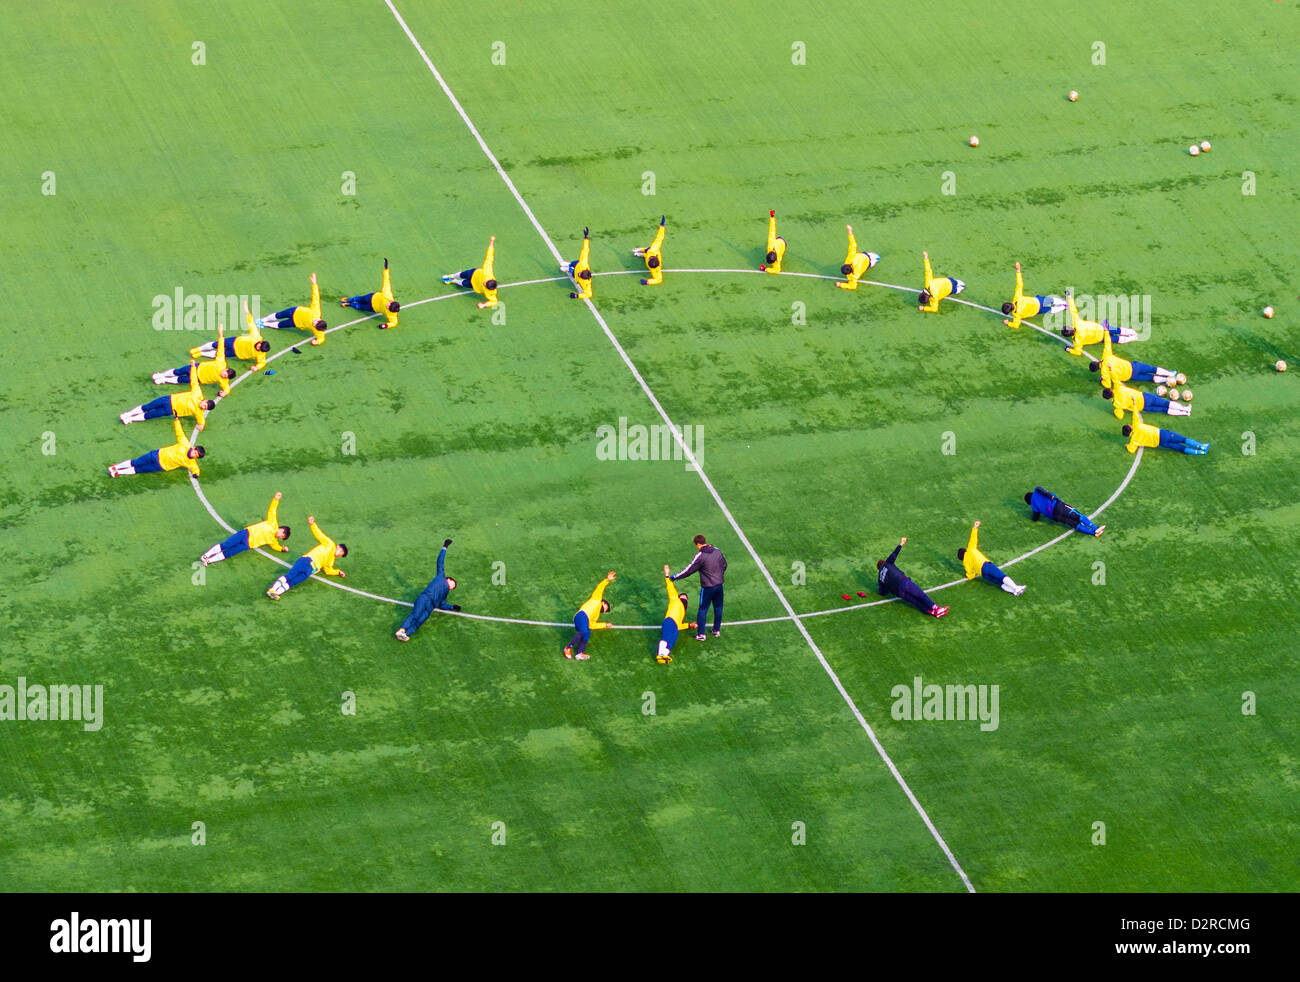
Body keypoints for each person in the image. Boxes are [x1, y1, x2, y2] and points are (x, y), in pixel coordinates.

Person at [266, 515, 347, 600]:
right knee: (290, 576)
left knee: (293, 582)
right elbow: (319, 535)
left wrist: (338, 572)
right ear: (338, 546)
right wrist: (312, 524)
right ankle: (272, 589)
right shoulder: (330, 544)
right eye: (341, 551)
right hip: (306, 561)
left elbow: (328, 570)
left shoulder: (331, 560)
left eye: (341, 555)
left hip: (310, 571)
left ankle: (276, 593)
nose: (339, 554)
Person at [395, 538, 462, 641]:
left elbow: (442, 605)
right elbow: (440, 562)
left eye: (454, 587)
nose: (453, 586)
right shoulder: (441, 576)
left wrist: (452, 607)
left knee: (419, 622)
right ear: (448, 579)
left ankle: (405, 634)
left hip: (430, 607)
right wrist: (445, 547)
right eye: (453, 583)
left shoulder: (445, 593)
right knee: (415, 615)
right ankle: (402, 629)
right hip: (425, 598)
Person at [200, 491, 290, 565]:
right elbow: (272, 510)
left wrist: (282, 549)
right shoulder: (273, 522)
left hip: (246, 545)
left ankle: (208, 561)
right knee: (226, 545)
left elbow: (275, 546)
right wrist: (276, 499)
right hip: (246, 534)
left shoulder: (273, 540)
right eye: (282, 536)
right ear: (282, 530)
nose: (280, 537)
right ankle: (206, 555)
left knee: (229, 553)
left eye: (282, 538)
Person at [670, 534, 727, 641]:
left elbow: (689, 570)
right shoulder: (717, 551)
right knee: (718, 608)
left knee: (703, 609)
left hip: (708, 588)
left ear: (697, 544)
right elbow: (724, 565)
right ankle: (716, 630)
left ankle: (701, 634)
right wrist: (718, 576)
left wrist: (675, 577)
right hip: (719, 585)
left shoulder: (700, 556)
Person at [108, 415, 204, 478]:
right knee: (136, 462)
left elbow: (195, 469)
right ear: (194, 448)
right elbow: (180, 433)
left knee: (138, 469)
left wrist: (196, 474)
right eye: (195, 452)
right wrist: (176, 421)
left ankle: (118, 472)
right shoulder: (184, 444)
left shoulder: (190, 462)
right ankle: (116, 467)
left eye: (196, 456)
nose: (194, 455)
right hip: (157, 455)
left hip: (160, 466)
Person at [120, 364, 213, 428]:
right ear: (205, 400)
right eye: (205, 404)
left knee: (150, 415)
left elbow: (201, 421)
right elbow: (194, 381)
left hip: (169, 410)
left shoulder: (199, 412)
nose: (203, 406)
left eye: (205, 407)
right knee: (148, 407)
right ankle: (128, 414)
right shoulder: (197, 394)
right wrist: (193, 367)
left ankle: (131, 419)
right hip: (168, 399)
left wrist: (201, 425)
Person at [155, 325, 235, 396]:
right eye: (225, 374)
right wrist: (221, 334)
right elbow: (220, 348)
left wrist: (225, 392)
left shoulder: (223, 380)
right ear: (226, 369)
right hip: (196, 367)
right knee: (178, 371)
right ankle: (161, 374)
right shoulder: (221, 363)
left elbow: (227, 388)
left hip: (197, 379)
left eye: (225, 377)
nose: (223, 375)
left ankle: (164, 379)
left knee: (180, 380)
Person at [877, 537, 948, 617]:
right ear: (883, 563)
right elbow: (894, 554)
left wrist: (888, 587)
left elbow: (881, 592)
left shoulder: (880, 578)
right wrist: (901, 544)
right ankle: (937, 608)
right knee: (920, 595)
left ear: (878, 569)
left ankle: (933, 613)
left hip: (899, 593)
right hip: (903, 582)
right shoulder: (887, 563)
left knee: (915, 602)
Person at [190, 305, 270, 371]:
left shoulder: (261, 354)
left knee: (218, 354)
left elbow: (262, 363)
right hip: (234, 341)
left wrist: (257, 367)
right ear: (260, 342)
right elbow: (251, 324)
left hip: (236, 353)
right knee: (216, 344)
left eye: (259, 349)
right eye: (259, 346)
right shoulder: (256, 336)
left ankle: (201, 353)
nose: (258, 348)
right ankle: (199, 349)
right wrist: (247, 312)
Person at [1089, 331, 1179, 389]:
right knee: (1152, 369)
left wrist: (1102, 381)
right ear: (1096, 361)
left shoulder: (1104, 374)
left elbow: (1108, 385)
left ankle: (1165, 380)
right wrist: (1105, 331)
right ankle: (1170, 374)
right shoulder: (1106, 356)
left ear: (1097, 370)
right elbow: (1107, 343)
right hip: (1133, 366)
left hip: (1129, 376)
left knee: (1150, 378)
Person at [958, 521, 1025, 596]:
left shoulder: (965, 563)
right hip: (986, 566)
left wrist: (969, 575)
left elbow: (970, 575)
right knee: (1002, 576)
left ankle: (1013, 592)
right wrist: (975, 527)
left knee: (999, 582)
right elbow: (973, 539)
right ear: (965, 550)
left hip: (983, 575)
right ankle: (1016, 588)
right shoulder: (970, 549)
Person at [1062, 289, 1138, 355]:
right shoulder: (1076, 322)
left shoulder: (1077, 340)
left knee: (1115, 339)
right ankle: (1131, 331)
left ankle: (1132, 338)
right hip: (1102, 327)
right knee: (1117, 330)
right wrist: (1069, 297)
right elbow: (1073, 309)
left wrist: (1069, 350)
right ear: (1070, 327)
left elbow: (1078, 352)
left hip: (1100, 337)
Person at [261, 272, 327, 345]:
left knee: (279, 325)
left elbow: (321, 337)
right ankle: (264, 319)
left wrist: (317, 342)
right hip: (294, 311)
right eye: (315, 323)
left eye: (314, 326)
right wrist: (314, 284)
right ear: (319, 320)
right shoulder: (316, 312)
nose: (313, 324)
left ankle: (266, 324)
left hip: (295, 323)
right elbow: (316, 297)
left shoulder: (318, 329)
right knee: (278, 315)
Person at [564, 571, 615, 660]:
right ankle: (568, 648)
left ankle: (580, 653)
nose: (604, 610)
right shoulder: (597, 599)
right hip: (581, 616)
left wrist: (605, 624)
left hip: (584, 620)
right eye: (605, 607)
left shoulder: (596, 615)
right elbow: (600, 588)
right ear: (603, 602)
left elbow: (592, 625)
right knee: (585, 631)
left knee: (587, 632)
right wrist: (607, 580)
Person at [1001, 262, 1066, 329]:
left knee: (1051, 308)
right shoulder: (1017, 298)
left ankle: (1063, 307)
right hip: (1038, 301)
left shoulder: (1016, 315)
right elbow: (1019, 284)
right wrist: (1018, 270)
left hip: (1037, 311)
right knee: (1052, 301)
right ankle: (1064, 302)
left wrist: (1008, 323)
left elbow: (1016, 325)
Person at [341, 258, 401, 329]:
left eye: (388, 308)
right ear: (391, 301)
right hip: (372, 297)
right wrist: (386, 269)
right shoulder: (387, 295)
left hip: (373, 308)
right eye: (388, 305)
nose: (387, 306)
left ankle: (350, 304)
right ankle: (349, 299)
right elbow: (386, 281)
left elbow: (394, 323)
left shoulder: (392, 314)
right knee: (360, 298)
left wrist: (385, 325)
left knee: (359, 307)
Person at [442, 236, 499, 308]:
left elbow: (494, 301)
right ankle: (451, 276)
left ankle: (453, 280)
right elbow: (489, 257)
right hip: (473, 273)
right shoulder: (487, 272)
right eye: (486, 282)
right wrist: (492, 242)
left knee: (462, 283)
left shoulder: (491, 292)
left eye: (485, 285)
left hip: (474, 285)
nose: (484, 283)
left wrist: (484, 305)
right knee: (461, 274)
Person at [1023, 487, 1104, 536]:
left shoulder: (1033, 506)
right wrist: (1051, 497)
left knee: (1073, 523)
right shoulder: (1036, 490)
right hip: (1057, 505)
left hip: (1055, 516)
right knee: (1078, 515)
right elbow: (1042, 490)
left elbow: (1035, 518)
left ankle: (1094, 533)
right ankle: (1095, 528)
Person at [1122, 409, 1209, 455]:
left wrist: (1128, 446)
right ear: (1130, 427)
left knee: (1179, 448)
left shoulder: (1134, 440)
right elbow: (1135, 414)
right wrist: (1133, 402)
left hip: (1160, 443)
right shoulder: (1136, 425)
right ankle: (1201, 446)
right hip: (1162, 434)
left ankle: (1200, 453)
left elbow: (1131, 450)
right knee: (1183, 440)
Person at [656, 566, 696, 664]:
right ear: (679, 597)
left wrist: (690, 625)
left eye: (686, 598)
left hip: (674, 625)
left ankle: (665, 654)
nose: (685, 598)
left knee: (673, 638)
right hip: (669, 621)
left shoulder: (682, 613)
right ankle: (660, 654)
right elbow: (670, 588)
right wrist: (667, 575)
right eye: (683, 596)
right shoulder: (675, 600)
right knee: (666, 637)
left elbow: (679, 626)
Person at [1103, 377, 1190, 419]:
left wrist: (1116, 411)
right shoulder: (1118, 388)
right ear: (1111, 390)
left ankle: (1185, 413)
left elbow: (1120, 416)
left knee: (1163, 409)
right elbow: (1115, 378)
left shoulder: (1115, 403)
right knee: (1165, 403)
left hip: (1143, 407)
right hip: (1145, 397)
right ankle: (1185, 408)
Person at [835, 224, 879, 290]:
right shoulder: (850, 258)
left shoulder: (853, 276)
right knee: (877, 256)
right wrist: (850, 231)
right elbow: (853, 244)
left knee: (875, 260)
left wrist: (840, 284)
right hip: (866, 256)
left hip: (868, 264)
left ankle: (874, 262)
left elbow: (853, 286)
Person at [632, 216, 666, 286]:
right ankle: (640, 250)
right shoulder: (654, 249)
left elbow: (658, 280)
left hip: (648, 256)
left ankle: (642, 255)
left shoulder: (655, 270)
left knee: (647, 253)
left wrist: (647, 282)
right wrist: (662, 226)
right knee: (647, 250)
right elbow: (659, 237)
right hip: (649, 251)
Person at [561, 227, 594, 299]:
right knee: (573, 263)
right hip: (578, 265)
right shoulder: (583, 263)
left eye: (580, 275)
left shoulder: (586, 284)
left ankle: (569, 269)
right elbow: (585, 250)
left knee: (573, 273)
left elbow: (589, 294)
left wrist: (577, 295)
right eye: (580, 273)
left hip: (575, 276)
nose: (579, 274)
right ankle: (569, 265)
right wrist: (586, 238)